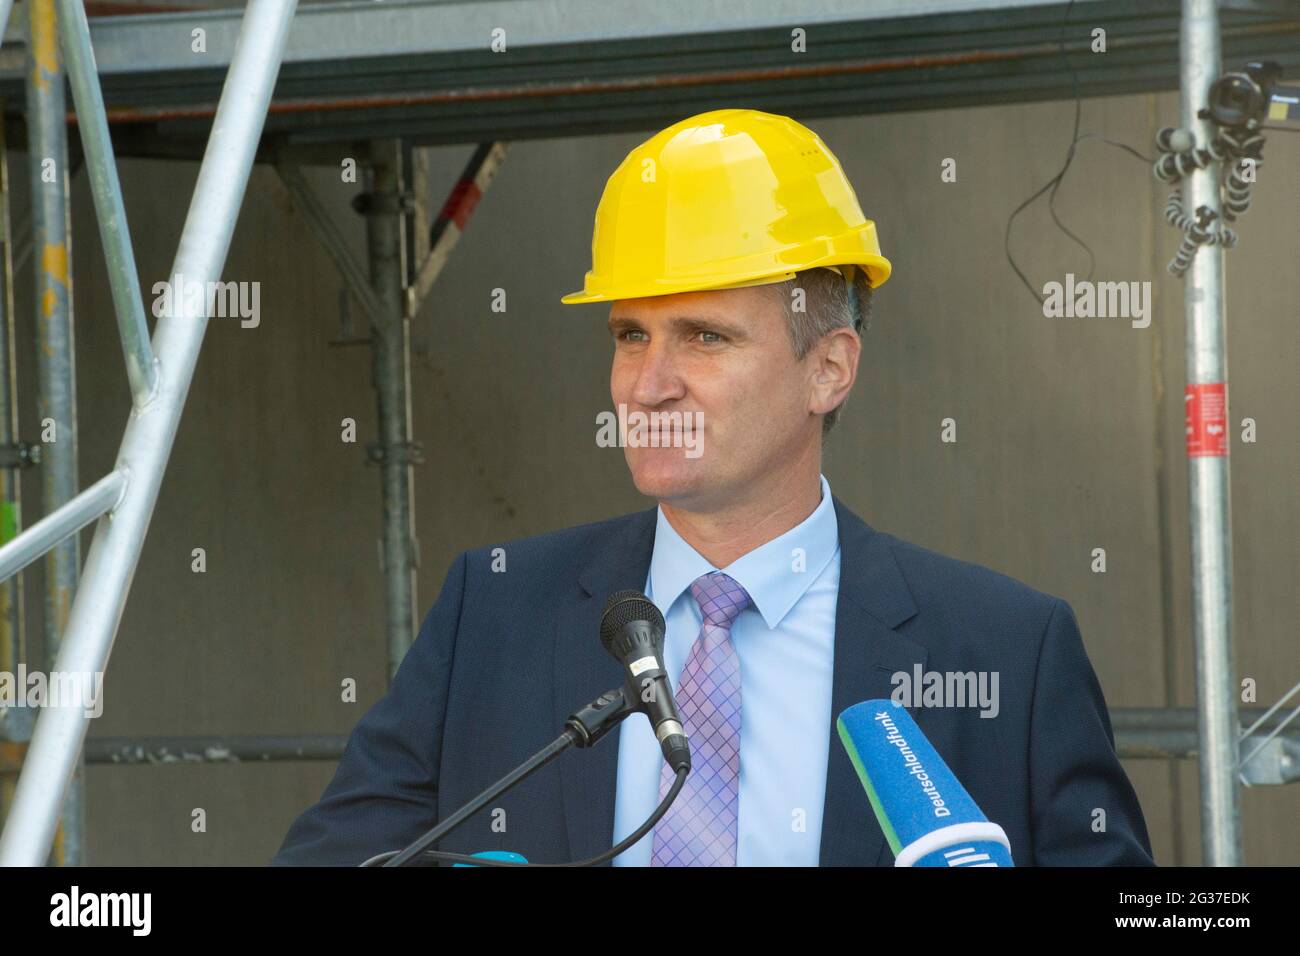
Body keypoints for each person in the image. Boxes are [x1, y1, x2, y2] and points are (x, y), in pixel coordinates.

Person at [272, 109, 1154, 866]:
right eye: (628, 335)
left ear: (829, 370)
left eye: (704, 337)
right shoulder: (491, 612)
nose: (645, 385)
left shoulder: (1006, 651)